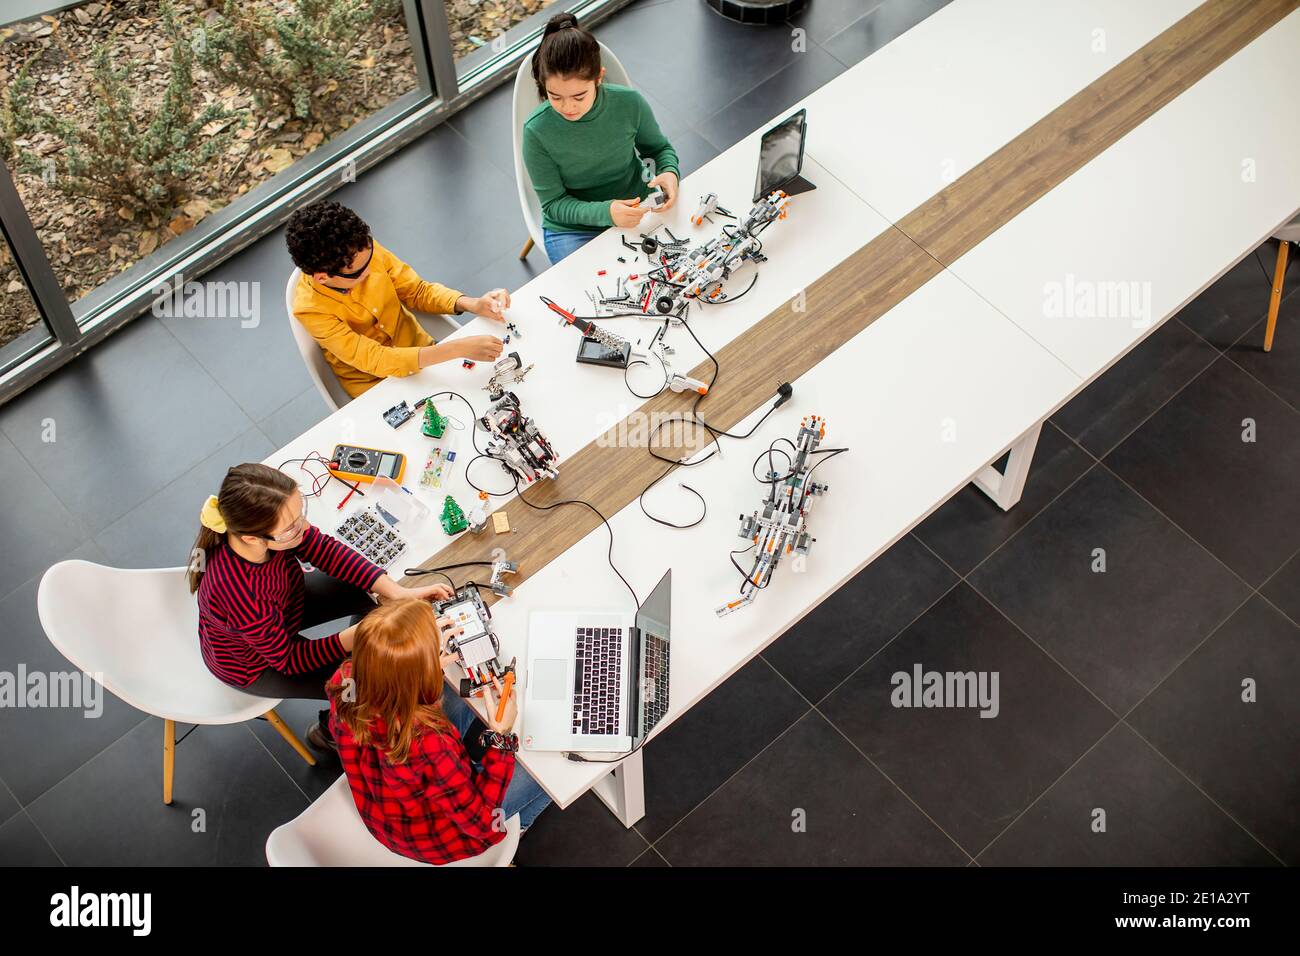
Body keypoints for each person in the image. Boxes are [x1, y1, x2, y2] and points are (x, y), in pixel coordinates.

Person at [189, 463, 454, 749]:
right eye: (291, 527)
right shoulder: (239, 594)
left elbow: (324, 549)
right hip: (258, 664)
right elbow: (289, 660)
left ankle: (367, 644)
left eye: (300, 513)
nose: (302, 527)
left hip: (284, 606)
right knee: (367, 686)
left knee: (366, 591)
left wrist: (400, 593)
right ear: (252, 538)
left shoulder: (271, 534)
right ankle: (328, 731)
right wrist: (365, 634)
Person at [327, 599, 550, 864]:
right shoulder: (430, 742)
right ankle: (518, 826)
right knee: (548, 771)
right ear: (417, 674)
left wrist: (413, 652)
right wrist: (500, 735)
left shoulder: (346, 679)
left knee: (456, 698)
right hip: (444, 837)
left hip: (383, 809)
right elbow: (480, 824)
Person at [285, 200, 511, 399]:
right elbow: (376, 359)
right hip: (376, 384)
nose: (368, 271)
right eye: (357, 273)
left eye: (370, 257)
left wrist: (472, 304)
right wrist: (455, 349)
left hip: (424, 352)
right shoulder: (309, 309)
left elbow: (417, 291)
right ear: (322, 278)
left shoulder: (361, 251)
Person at [522, 13, 680, 263]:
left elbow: (658, 150)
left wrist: (669, 172)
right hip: (573, 227)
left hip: (636, 205)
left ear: (599, 77)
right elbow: (554, 205)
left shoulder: (629, 103)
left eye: (579, 96)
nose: (567, 108)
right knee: (588, 297)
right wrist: (606, 213)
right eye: (555, 96)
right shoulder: (536, 131)